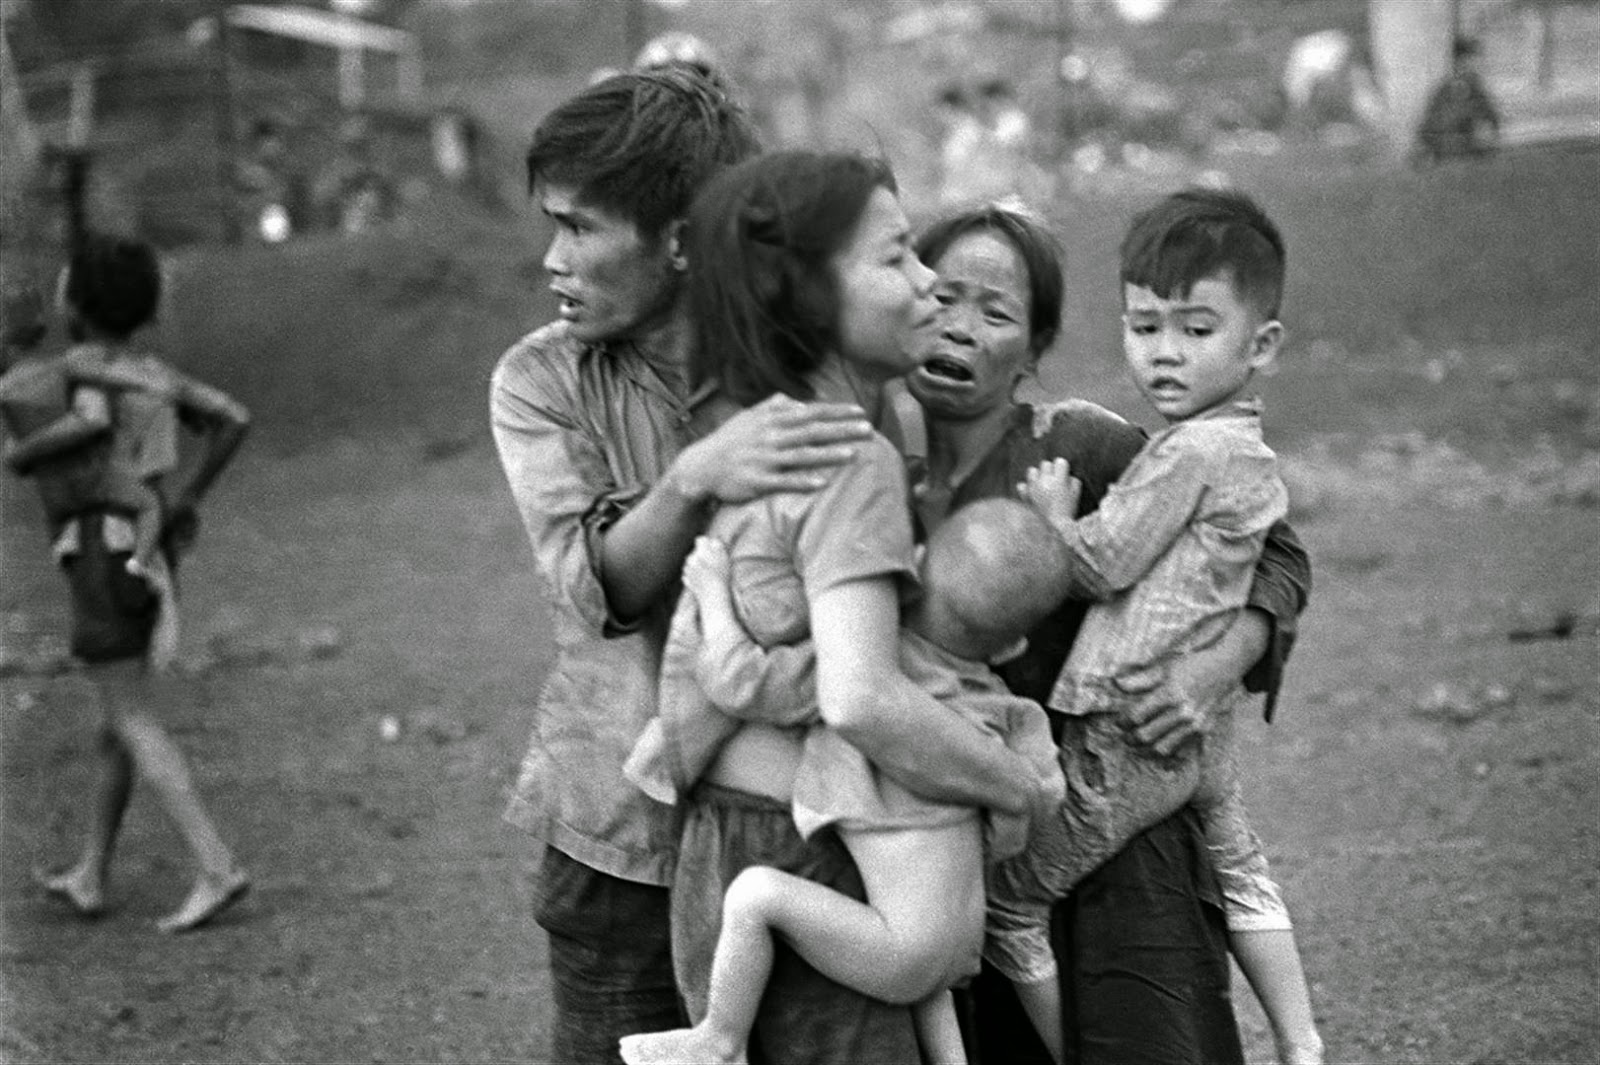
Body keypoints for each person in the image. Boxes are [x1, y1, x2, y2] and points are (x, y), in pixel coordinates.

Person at [489, 69, 887, 1064]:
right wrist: (698, 476)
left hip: (806, 830)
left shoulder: (822, 356)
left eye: (578, 228)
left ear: (678, 240)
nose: (552, 259)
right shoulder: (541, 378)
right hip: (621, 840)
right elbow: (597, 590)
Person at [649, 150, 1054, 1065]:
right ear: (805, 295)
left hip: (729, 838)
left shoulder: (761, 429)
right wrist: (1013, 784)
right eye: (896, 256)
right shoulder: (855, 459)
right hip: (811, 851)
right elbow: (861, 695)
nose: (928, 283)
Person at [901, 200, 1314, 1065]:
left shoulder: (1082, 448)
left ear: (1035, 344)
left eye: (997, 311)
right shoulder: (862, 464)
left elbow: (1274, 553)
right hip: (929, 832)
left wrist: (1216, 665)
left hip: (1111, 821)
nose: (962, 327)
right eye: (943, 298)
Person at [619, 494, 1069, 1065]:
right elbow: (1039, 795)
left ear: (910, 568)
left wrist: (713, 594)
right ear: (1012, 646)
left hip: (901, 950)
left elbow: (739, 681)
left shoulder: (863, 670)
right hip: (963, 938)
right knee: (922, 977)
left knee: (755, 896)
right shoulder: (1006, 708)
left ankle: (719, 1040)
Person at [0, 234, 252, 934]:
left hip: (101, 551)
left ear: (75, 305)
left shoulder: (77, 370)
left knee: (131, 716)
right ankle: (91, 871)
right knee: (119, 716)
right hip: (150, 543)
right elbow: (233, 419)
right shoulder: (154, 373)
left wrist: (21, 452)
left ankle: (216, 865)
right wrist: (189, 495)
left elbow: (68, 419)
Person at [1415, 37, 1500, 165]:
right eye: (1471, 62)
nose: (1477, 67)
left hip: (1473, 160)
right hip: (1448, 160)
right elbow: (1428, 130)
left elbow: (1492, 120)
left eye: (1477, 62)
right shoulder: (1444, 92)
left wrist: (1487, 132)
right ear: (1459, 63)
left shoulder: (1477, 91)